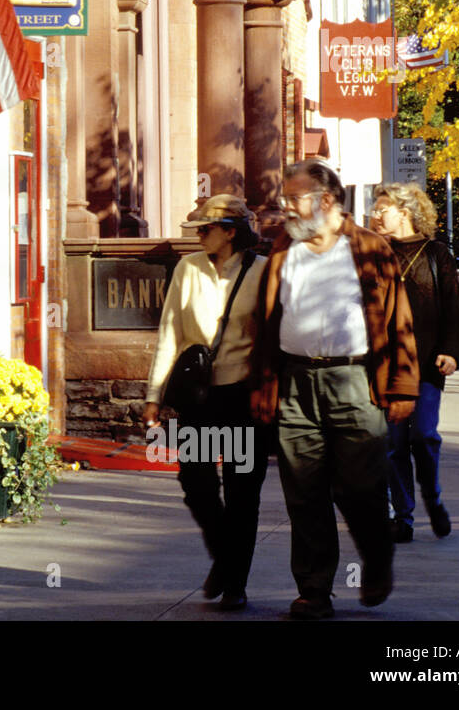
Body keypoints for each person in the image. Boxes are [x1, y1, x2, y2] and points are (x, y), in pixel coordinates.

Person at [251, 159, 419, 620]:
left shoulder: (370, 249)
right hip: (295, 381)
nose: (286, 205)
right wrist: (264, 384)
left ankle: (377, 559)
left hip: (355, 382)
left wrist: (403, 387)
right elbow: (266, 323)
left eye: (295, 197)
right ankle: (314, 590)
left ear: (325, 201)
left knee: (360, 488)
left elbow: (398, 320)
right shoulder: (284, 249)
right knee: (303, 491)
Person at [143, 195, 269, 612]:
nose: (198, 235)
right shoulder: (188, 268)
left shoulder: (264, 272)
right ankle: (224, 556)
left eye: (205, 229)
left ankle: (235, 582)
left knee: (242, 491)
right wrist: (154, 395)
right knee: (195, 483)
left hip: (243, 397)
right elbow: (170, 334)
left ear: (230, 231)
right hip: (199, 396)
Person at [370, 182, 459, 543]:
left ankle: (433, 498)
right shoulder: (375, 252)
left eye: (382, 208)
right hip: (387, 363)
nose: (375, 214)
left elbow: (453, 307)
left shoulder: (435, 253)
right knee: (394, 443)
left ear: (405, 213)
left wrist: (451, 350)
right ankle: (404, 516)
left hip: (428, 362)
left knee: (424, 435)